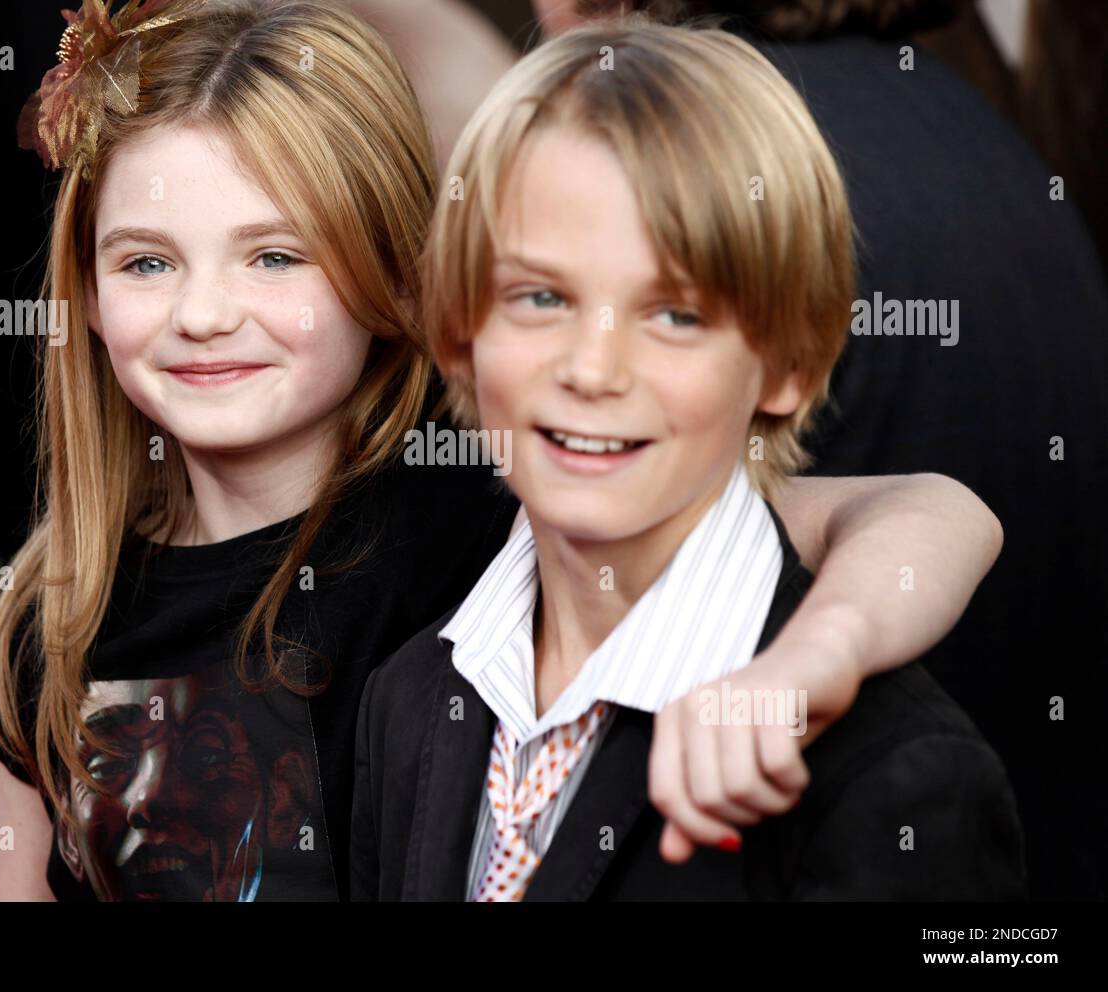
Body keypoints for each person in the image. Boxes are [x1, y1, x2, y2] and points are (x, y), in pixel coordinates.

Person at [0, 0, 1002, 902]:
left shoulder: (494, 504)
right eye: (148, 262)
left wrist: (818, 654)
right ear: (90, 295)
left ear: (390, 261)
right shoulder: (58, 598)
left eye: (276, 254)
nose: (202, 312)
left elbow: (928, 511)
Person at [351, 18, 1025, 901]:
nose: (593, 370)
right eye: (540, 296)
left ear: (790, 365)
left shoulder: (891, 778)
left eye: (676, 315)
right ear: (458, 333)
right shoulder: (407, 700)